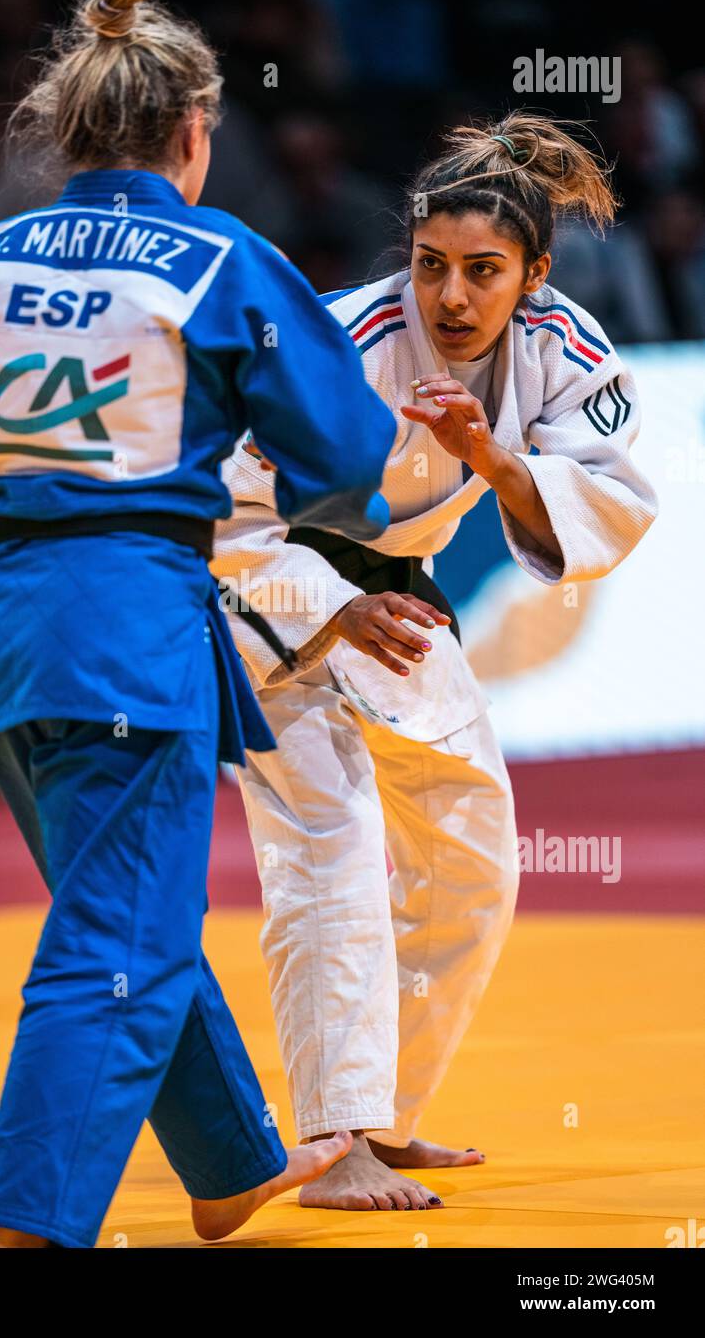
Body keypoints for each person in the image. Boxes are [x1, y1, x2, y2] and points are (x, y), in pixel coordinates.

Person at [0, 0, 401, 1247]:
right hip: (133, 639)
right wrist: (360, 513)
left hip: (8, 644)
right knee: (116, 940)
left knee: (122, 906)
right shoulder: (217, 257)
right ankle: (27, 1233)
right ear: (191, 129)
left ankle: (226, 1164)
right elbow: (340, 458)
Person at [211, 112, 659, 1211]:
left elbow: (603, 504)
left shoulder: (566, 348)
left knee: (471, 861)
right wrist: (326, 609)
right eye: (428, 266)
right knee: (333, 841)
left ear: (533, 275)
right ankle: (327, 1142)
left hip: (401, 598)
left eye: (480, 272)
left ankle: (383, 1113)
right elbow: (221, 512)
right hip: (271, 594)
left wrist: (489, 458)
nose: (449, 297)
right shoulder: (333, 344)